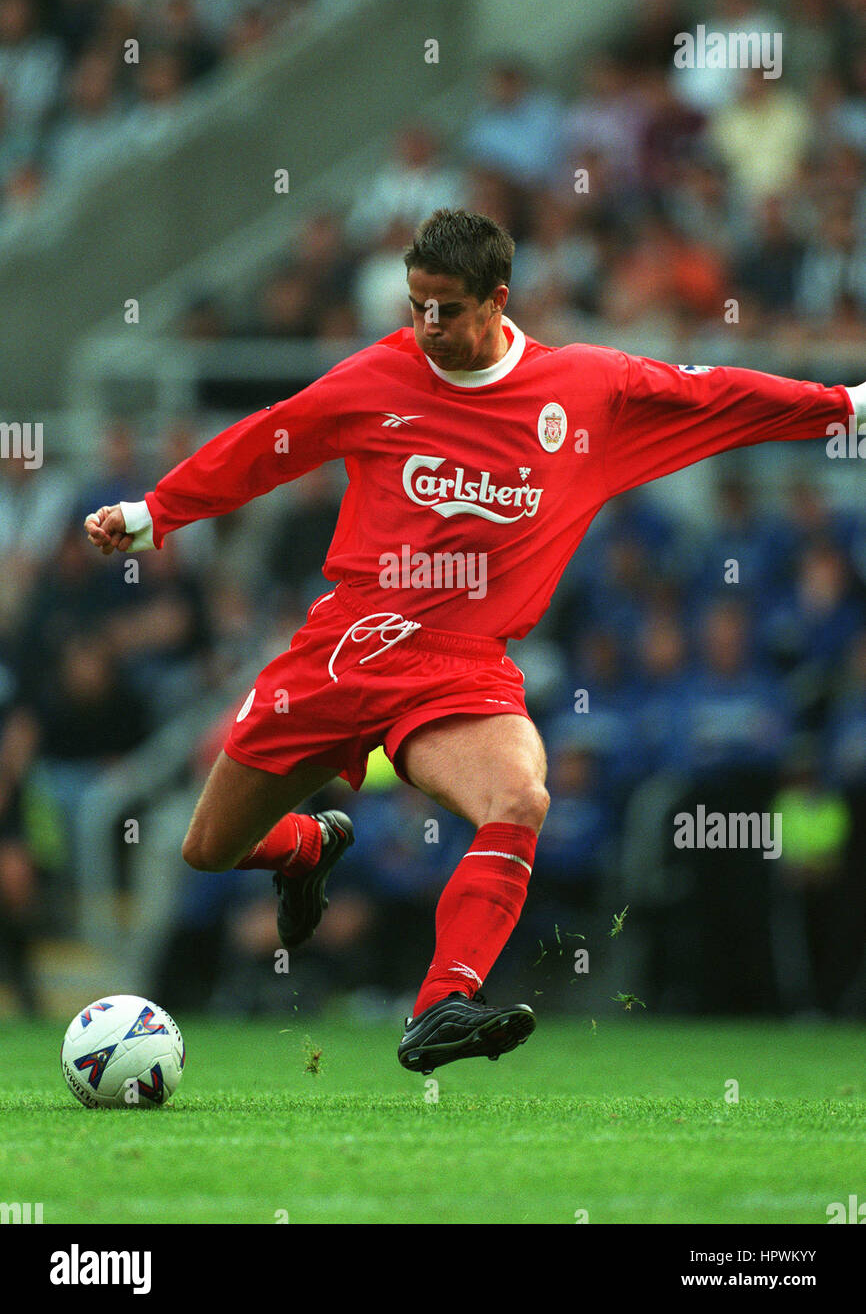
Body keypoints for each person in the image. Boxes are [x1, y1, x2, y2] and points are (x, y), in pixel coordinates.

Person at [84, 207, 864, 1073]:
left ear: (498, 301)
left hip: (460, 671)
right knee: (208, 850)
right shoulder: (380, 375)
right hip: (342, 648)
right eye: (416, 304)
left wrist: (845, 407)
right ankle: (312, 845)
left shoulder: (586, 391)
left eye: (446, 309)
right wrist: (156, 513)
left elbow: (720, 395)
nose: (427, 325)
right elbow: (271, 443)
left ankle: (441, 1004)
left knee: (520, 798)